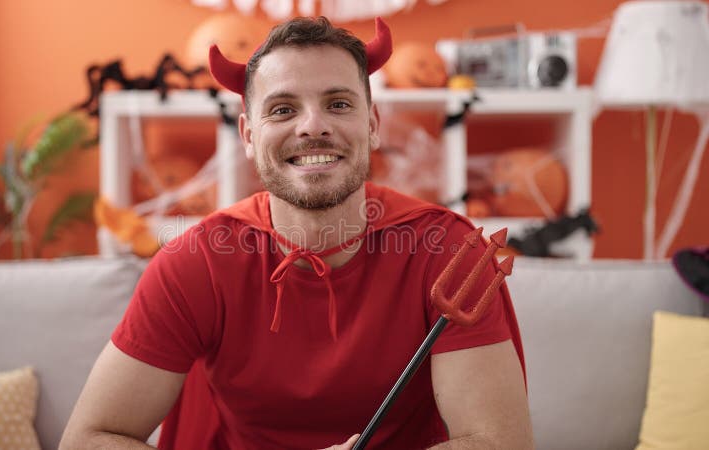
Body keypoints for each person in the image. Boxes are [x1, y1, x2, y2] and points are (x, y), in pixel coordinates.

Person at [60, 16, 532, 450]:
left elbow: (499, 443)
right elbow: (89, 438)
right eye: (283, 109)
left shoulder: (448, 251)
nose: (313, 127)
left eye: (339, 103)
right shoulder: (197, 261)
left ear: (371, 125)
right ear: (248, 136)